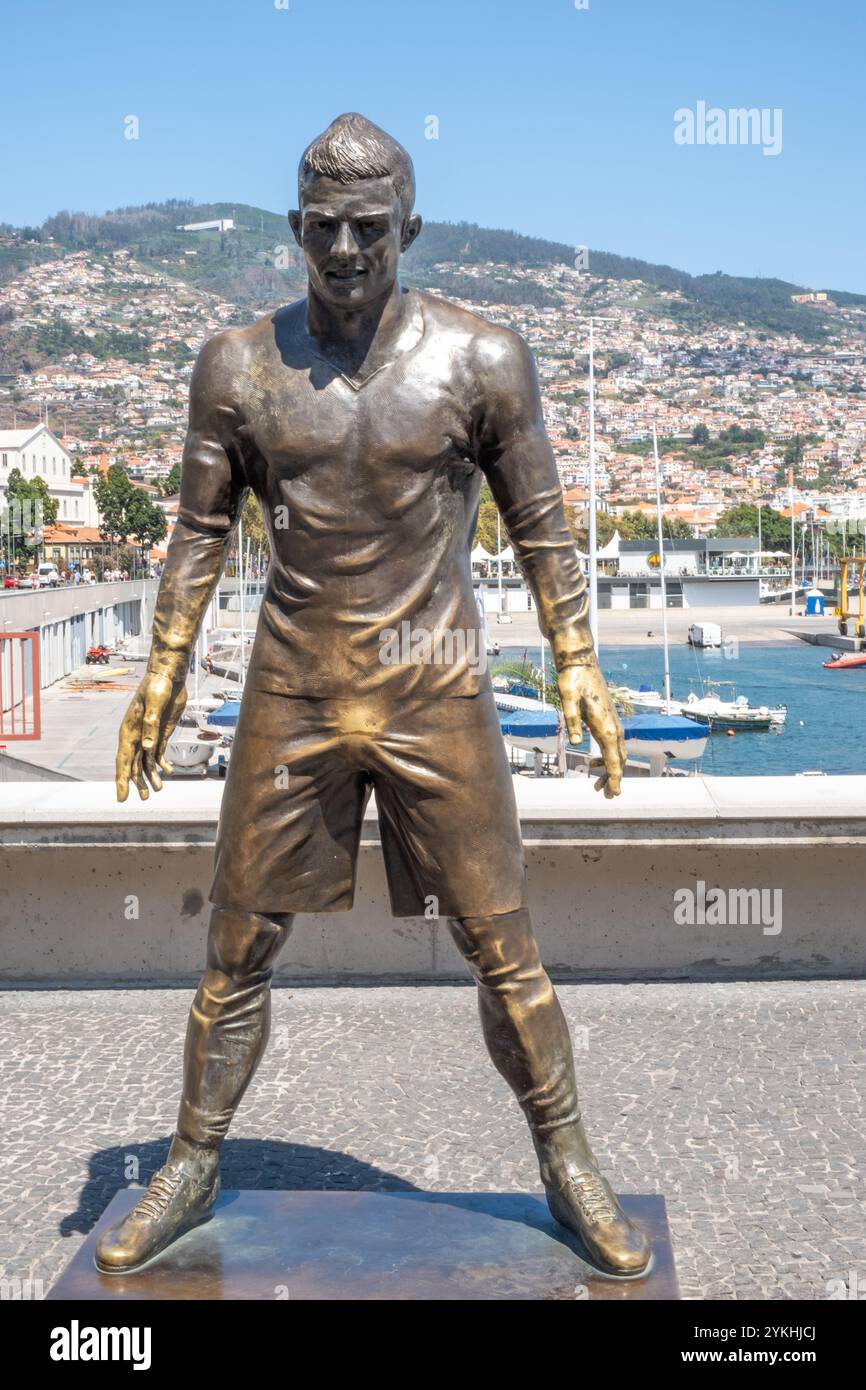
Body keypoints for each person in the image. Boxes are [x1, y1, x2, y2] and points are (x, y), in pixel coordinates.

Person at [100, 114, 649, 1279]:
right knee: (236, 945)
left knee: (505, 947)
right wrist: (160, 668)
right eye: (323, 229)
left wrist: (579, 662)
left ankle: (566, 1161)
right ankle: (194, 1157)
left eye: (367, 227)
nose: (344, 249)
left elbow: (542, 526)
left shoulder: (482, 356)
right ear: (294, 229)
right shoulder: (237, 364)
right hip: (291, 688)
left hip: (434, 686)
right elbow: (197, 532)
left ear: (409, 226)